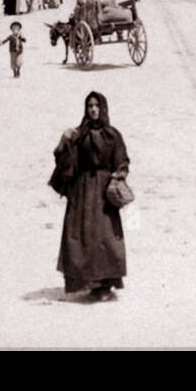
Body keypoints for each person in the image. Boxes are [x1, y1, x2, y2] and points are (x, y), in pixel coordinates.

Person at [50, 91, 130, 300]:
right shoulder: (79, 134)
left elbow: (122, 161)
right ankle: (88, 282)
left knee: (105, 237)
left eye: (96, 105)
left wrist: (118, 175)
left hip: (104, 193)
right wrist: (64, 141)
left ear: (103, 108)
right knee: (81, 236)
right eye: (89, 106)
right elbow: (63, 159)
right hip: (82, 191)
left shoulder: (113, 135)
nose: (93, 109)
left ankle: (105, 285)